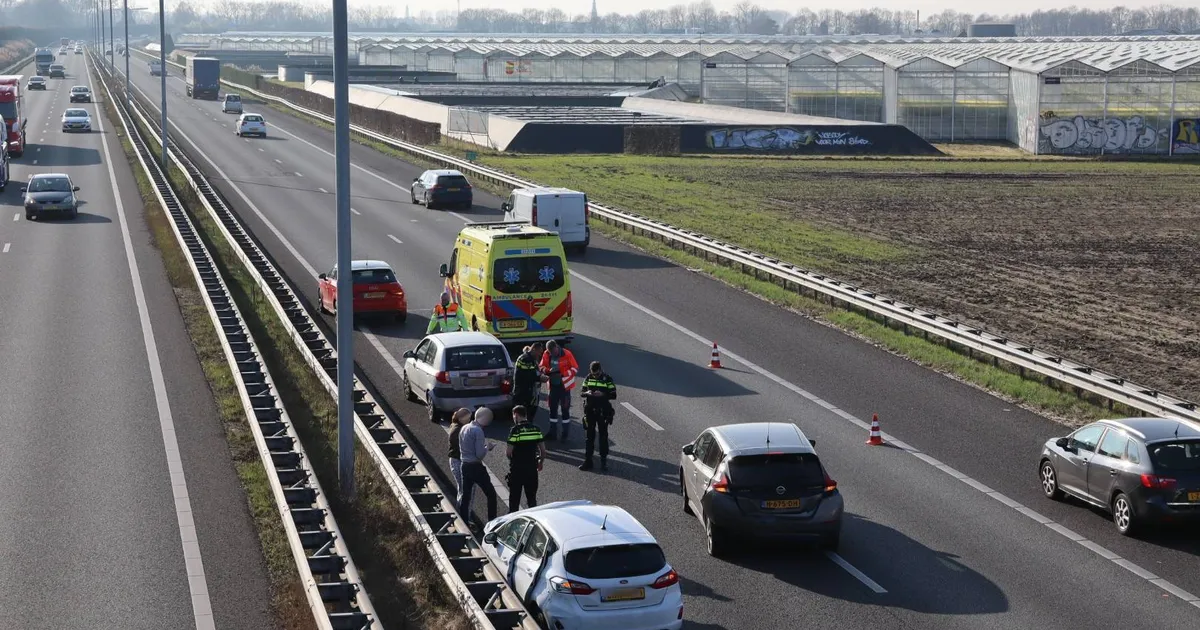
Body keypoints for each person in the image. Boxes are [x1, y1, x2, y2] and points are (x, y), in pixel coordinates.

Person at [458, 407, 498, 522]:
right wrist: (488, 447)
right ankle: (492, 522)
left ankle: (463, 521)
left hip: (464, 465)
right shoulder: (478, 431)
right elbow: (479, 454)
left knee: (466, 496)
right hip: (476, 467)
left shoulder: (464, 428)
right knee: (491, 494)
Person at [505, 405, 546, 512]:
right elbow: (543, 451)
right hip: (532, 469)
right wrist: (540, 462)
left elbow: (508, 452)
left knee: (514, 500)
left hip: (517, 469)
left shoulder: (515, 430)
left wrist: (512, 460)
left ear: (516, 415)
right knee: (532, 500)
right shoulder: (536, 429)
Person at [579, 361, 617, 471]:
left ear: (600, 370)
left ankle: (603, 462)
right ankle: (588, 461)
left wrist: (603, 394)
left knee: (603, 437)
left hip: (603, 412)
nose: (595, 376)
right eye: (593, 374)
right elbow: (582, 392)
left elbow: (613, 395)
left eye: (596, 374)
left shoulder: (607, 379)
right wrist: (587, 393)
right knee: (589, 437)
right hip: (590, 411)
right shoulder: (588, 377)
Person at [539, 340, 579, 441]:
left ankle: (565, 434)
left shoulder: (567, 354)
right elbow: (541, 366)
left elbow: (575, 369)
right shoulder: (546, 354)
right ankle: (552, 433)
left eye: (554, 352)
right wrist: (547, 370)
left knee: (565, 410)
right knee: (552, 409)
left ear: (556, 347)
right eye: (551, 353)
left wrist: (562, 374)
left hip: (564, 387)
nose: (553, 354)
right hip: (553, 386)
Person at [511, 342, 546, 425]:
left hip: (528, 392)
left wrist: (540, 372)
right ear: (533, 349)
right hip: (523, 393)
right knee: (523, 416)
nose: (540, 355)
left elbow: (533, 371)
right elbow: (527, 376)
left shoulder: (531, 359)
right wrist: (540, 378)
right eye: (539, 352)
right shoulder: (525, 359)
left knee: (529, 414)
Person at [447, 408, 472, 511]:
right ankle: (463, 514)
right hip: (458, 461)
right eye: (468, 418)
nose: (470, 420)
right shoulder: (458, 430)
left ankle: (461, 512)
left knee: (462, 489)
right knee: (465, 490)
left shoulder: (455, 426)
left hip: (456, 460)